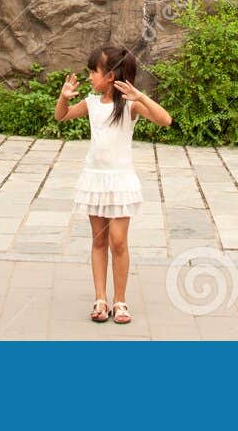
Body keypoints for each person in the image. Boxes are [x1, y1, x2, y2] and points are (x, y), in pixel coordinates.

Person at [55, 46, 172, 325]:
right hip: (95, 179)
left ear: (109, 76)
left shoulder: (130, 105)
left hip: (120, 181)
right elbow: (62, 116)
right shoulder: (91, 103)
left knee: (118, 242)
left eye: (93, 71)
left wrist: (140, 95)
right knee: (98, 240)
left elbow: (165, 120)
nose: (89, 77)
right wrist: (62, 97)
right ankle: (100, 298)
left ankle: (120, 300)